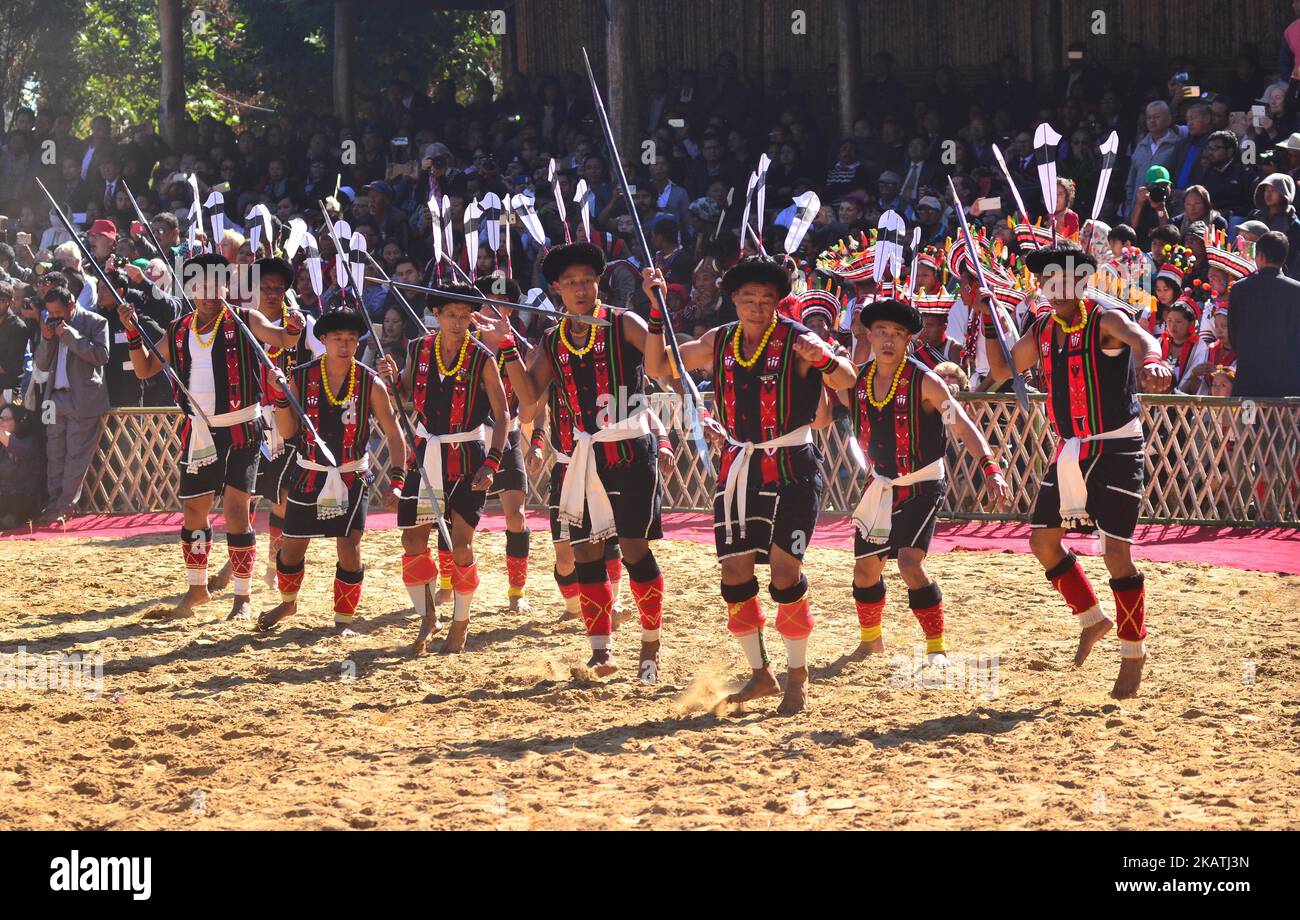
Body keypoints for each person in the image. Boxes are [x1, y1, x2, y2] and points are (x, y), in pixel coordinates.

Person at [643, 256, 858, 715]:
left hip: (794, 467)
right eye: (748, 299)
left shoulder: (800, 338)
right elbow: (660, 364)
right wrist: (657, 309)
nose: (757, 307)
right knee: (735, 576)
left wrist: (822, 357)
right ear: (734, 301)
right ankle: (761, 674)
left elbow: (847, 379)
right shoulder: (719, 340)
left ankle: (797, 677)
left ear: (778, 301)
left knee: (784, 575)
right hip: (738, 467)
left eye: (766, 300)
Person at [982, 242, 1173, 699]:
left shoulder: (1103, 319)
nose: (1057, 288)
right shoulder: (1044, 327)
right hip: (1072, 451)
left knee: (1116, 556)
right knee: (1043, 541)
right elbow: (999, 368)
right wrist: (986, 314)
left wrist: (1152, 359)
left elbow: (1140, 336)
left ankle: (1133, 652)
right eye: (1049, 281)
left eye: (1066, 280)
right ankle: (1093, 619)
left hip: (1117, 448)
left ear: (1082, 282)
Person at [495, 242, 666, 682]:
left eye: (588, 280)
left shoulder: (622, 322)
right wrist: (506, 348)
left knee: (633, 549)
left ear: (598, 282)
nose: (581, 289)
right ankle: (601, 651)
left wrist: (656, 308)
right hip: (580, 458)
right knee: (587, 551)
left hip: (629, 450)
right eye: (571, 282)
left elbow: (660, 365)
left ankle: (650, 645)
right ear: (556, 288)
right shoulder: (551, 341)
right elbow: (530, 402)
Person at [118, 253, 304, 620]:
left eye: (214, 286)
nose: (208, 294)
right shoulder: (178, 328)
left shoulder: (245, 320)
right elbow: (144, 370)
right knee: (194, 511)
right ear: (191, 289)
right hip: (200, 430)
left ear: (224, 287)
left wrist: (294, 328)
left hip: (242, 429)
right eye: (200, 287)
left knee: (237, 512)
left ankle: (242, 598)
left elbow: (281, 339)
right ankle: (197, 590)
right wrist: (132, 332)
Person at [845, 296, 1010, 662]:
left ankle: (937, 649)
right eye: (882, 332)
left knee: (908, 563)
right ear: (869, 335)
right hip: (881, 484)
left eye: (898, 334)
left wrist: (990, 467)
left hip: (922, 482)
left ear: (909, 341)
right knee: (865, 570)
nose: (889, 340)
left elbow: (964, 427)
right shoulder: (858, 380)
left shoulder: (927, 381)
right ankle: (871, 641)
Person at [256, 309, 406, 634]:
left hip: (352, 476)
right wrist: (282, 397)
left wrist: (397, 480)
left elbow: (394, 433)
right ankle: (288, 602)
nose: (345, 345)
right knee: (292, 546)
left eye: (352, 339)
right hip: (309, 472)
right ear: (322, 340)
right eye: (338, 338)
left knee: (349, 546)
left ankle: (343, 620)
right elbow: (286, 430)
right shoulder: (302, 375)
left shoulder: (371, 382)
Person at [386, 284, 508, 656]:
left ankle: (461, 622)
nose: (457, 323)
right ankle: (428, 616)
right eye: (450, 315)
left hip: (469, 455)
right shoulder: (417, 349)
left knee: (461, 545)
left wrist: (492, 461)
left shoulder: (483, 357)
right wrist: (393, 381)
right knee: (412, 542)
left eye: (463, 316)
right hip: (425, 454)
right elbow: (407, 394)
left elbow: (503, 415)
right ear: (436, 316)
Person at [34, 284, 109, 524]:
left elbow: (101, 356)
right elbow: (42, 365)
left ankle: (65, 508)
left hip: (83, 399)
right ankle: (52, 504)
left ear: (72, 306)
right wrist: (47, 339)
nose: (53, 318)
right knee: (54, 454)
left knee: (76, 455)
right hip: (55, 398)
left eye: (57, 313)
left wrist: (69, 335)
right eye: (50, 313)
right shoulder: (49, 324)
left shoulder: (95, 322)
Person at [1228, 230, 1300, 397]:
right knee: (1281, 424)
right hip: (1288, 383)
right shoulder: (1296, 291)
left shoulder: (1240, 289)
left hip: (1248, 380)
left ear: (1259, 256)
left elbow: (1233, 336)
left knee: (1247, 423)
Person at [0, 402, 41, 529]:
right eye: (0, 418)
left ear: (18, 421)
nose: (2, 422)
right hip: (4, 495)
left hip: (24, 499)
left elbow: (20, 449)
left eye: (6, 419)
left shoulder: (30, 441)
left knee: (9, 519)